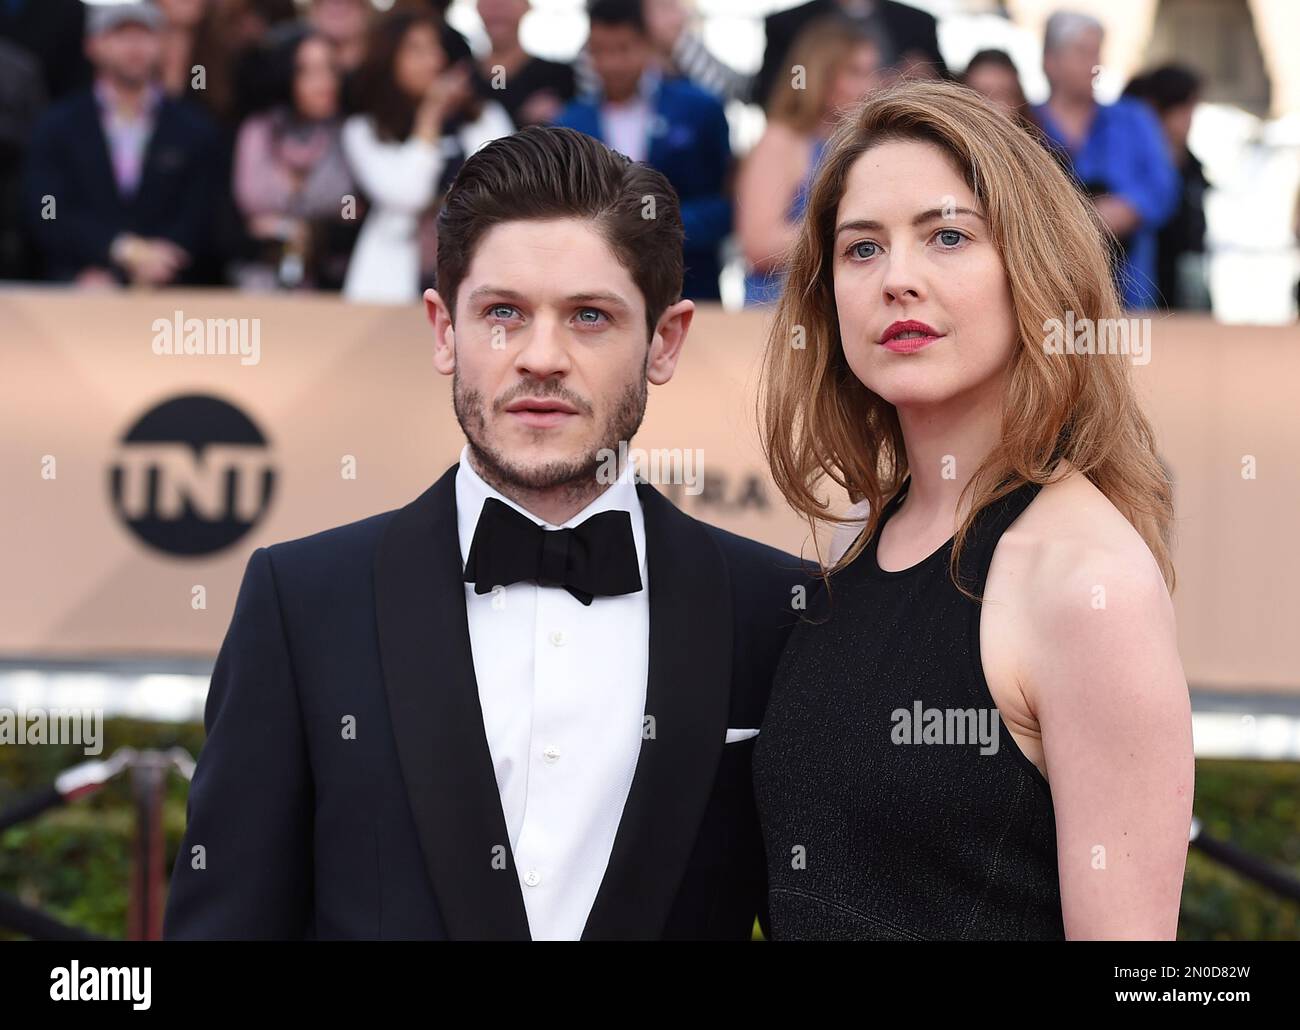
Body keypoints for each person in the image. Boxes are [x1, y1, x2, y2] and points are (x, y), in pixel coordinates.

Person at [163, 124, 809, 941]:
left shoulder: (776, 613)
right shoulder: (302, 604)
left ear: (665, 340)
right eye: (503, 312)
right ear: (443, 329)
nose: (542, 357)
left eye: (589, 317)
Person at [753, 80, 1193, 939]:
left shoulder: (1086, 585)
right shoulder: (865, 538)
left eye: (948, 237)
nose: (898, 280)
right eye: (861, 249)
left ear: (1033, 271)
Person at [22, 1, 220, 287]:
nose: (134, 46)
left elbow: (203, 213)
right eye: (120, 34)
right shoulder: (57, 125)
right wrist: (114, 250)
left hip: (174, 294)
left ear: (162, 45)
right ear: (92, 45)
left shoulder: (194, 129)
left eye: (145, 34)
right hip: (77, 287)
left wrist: (157, 260)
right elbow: (45, 209)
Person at [557, 0, 731, 302]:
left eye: (623, 49)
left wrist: (653, 224)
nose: (611, 63)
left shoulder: (700, 108)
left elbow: (726, 202)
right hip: (597, 290)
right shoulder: (569, 124)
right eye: (599, 51)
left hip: (690, 284)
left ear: (647, 44)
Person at [341, 10, 512, 303]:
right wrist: (430, 115)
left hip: (477, 275)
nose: (434, 61)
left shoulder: (485, 118)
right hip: (389, 290)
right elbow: (408, 193)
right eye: (416, 50)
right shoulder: (363, 130)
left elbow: (503, 191)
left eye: (435, 48)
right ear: (388, 58)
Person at [1033, 11, 1178, 309]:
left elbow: (1164, 185)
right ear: (1051, 61)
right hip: (1046, 298)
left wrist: (1129, 208)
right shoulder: (1026, 122)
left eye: (1098, 51)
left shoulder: (1133, 119)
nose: (1095, 63)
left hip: (1128, 293)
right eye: (1082, 51)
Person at [738, 17, 881, 306]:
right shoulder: (782, 140)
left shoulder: (866, 142)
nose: (870, 85)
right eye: (855, 72)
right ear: (821, 75)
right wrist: (851, 234)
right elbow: (758, 243)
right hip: (785, 309)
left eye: (872, 71)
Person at [232, 30, 357, 291]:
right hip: (253, 286)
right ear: (286, 75)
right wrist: (288, 229)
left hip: (334, 288)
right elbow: (234, 223)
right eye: (308, 72)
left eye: (330, 70)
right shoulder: (257, 132)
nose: (325, 82)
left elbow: (355, 217)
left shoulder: (349, 135)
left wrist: (305, 232)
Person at [1124, 64, 1211, 311]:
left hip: (1184, 284)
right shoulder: (1134, 168)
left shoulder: (1192, 167)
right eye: (1184, 108)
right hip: (1144, 287)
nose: (1190, 119)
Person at [473, 0, 576, 129]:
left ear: (526, 6)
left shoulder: (558, 76)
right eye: (489, 3)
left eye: (505, 3)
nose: (496, 9)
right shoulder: (461, 77)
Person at [961, 48, 1033, 130]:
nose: (991, 106)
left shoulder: (1040, 138)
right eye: (979, 94)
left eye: (1001, 95)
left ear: (1018, 101)